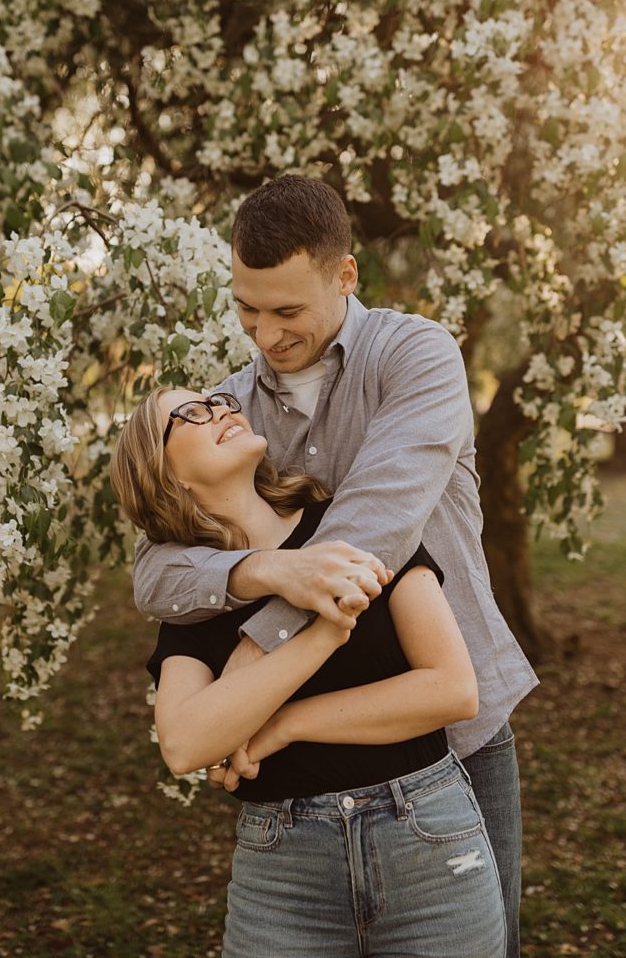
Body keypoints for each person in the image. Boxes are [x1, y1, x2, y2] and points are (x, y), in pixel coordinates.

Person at [132, 174, 538, 956]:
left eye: (287, 310)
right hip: (311, 787)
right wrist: (258, 574)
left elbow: (369, 530)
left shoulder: (416, 356)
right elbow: (154, 568)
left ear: (345, 275)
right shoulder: (230, 410)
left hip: (459, 721)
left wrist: (249, 676)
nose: (265, 334)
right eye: (247, 308)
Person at [111, 386, 506, 956]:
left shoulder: (353, 524)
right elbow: (184, 743)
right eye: (190, 414)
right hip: (283, 872)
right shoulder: (194, 592)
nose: (222, 410)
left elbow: (451, 689)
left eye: (219, 400)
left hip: (427, 842)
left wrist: (285, 723)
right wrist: (320, 636)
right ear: (163, 472)